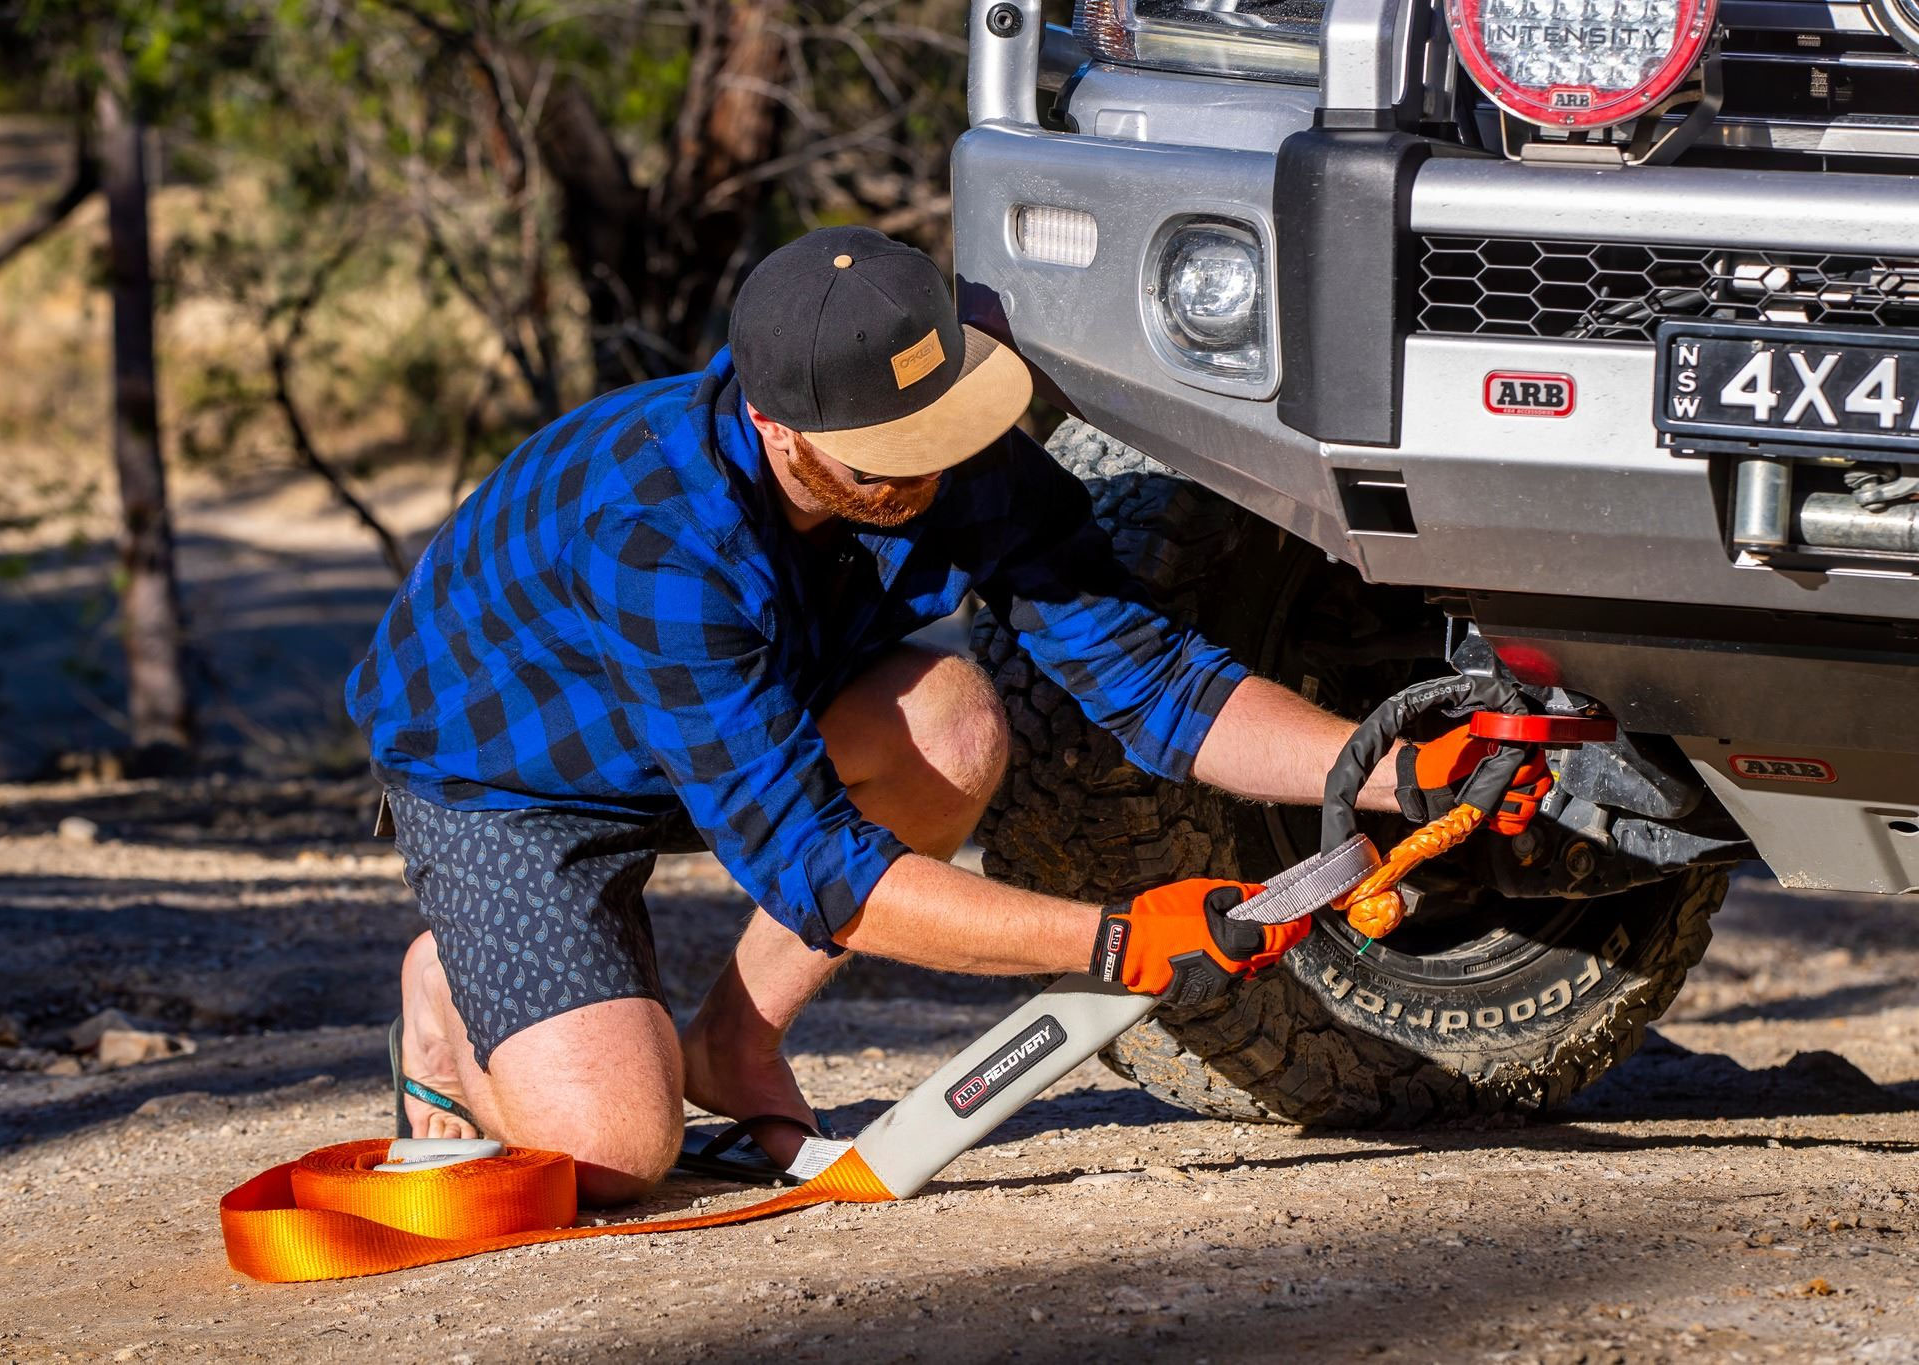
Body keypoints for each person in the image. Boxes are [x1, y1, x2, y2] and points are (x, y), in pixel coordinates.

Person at [348, 227, 1447, 1202]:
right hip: (512, 780)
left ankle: (732, 1046)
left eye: (939, 431)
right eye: (886, 459)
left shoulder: (933, 447)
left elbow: (1150, 676)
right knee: (615, 1153)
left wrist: (1398, 772)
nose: (925, 475)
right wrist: (1116, 941)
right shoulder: (656, 537)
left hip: (726, 725)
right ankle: (448, 994)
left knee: (953, 720)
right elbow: (823, 872)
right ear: (775, 425)